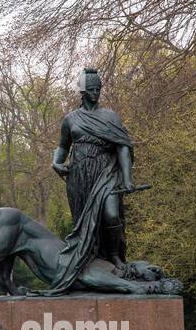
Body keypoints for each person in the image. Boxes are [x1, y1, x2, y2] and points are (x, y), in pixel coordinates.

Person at [50, 68, 135, 292]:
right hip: (79, 177)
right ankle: (90, 261)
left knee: (111, 214)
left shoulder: (110, 116)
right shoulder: (71, 119)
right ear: (82, 91)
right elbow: (62, 147)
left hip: (106, 172)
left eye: (98, 89)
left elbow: (123, 147)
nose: (96, 93)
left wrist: (127, 178)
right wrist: (56, 162)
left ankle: (116, 257)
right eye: (91, 90)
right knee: (86, 224)